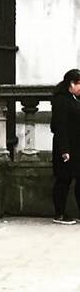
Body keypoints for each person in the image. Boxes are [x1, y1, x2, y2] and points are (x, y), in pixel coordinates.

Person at [50, 69, 80, 222]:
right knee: (63, 180)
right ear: (72, 84)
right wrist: (64, 150)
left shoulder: (74, 98)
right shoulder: (61, 100)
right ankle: (60, 213)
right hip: (66, 147)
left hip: (77, 146)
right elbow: (59, 126)